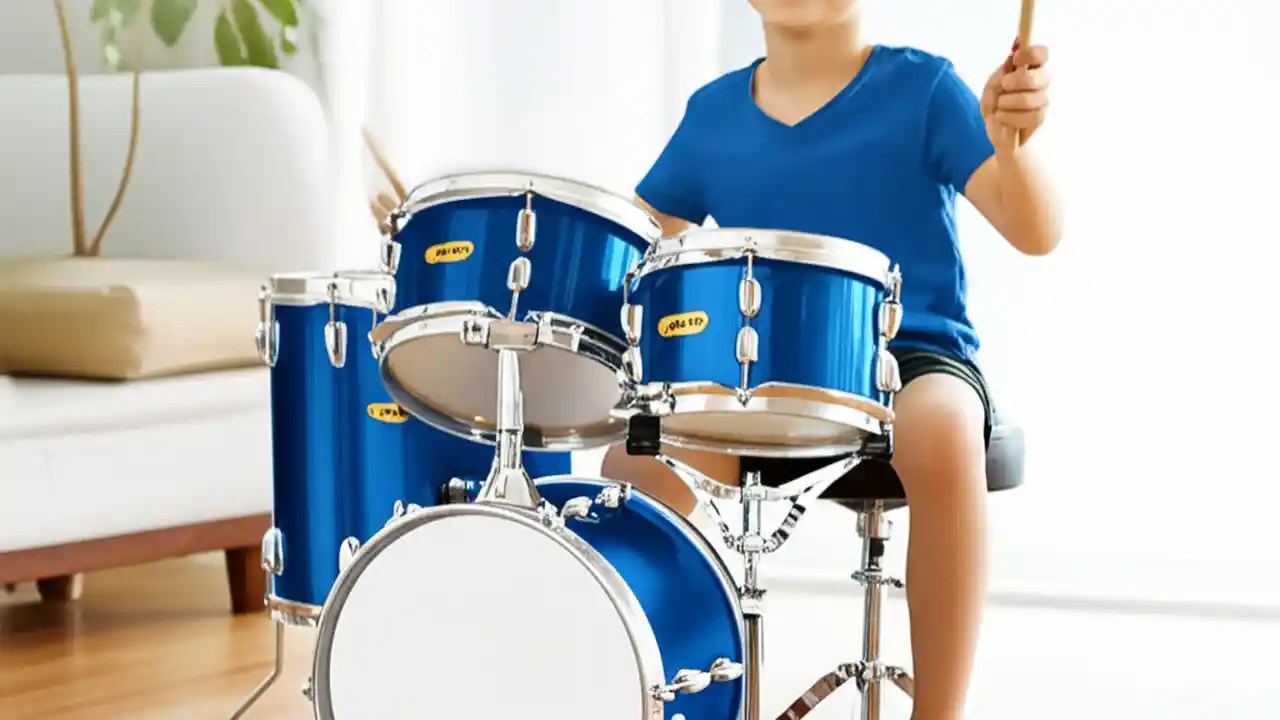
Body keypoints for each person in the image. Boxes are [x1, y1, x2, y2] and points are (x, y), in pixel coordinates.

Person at [601, 1, 1062, 719]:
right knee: (636, 465)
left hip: (908, 356)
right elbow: (624, 249)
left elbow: (1036, 231)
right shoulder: (711, 114)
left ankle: (938, 712)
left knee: (940, 428)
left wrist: (1014, 149)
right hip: (759, 373)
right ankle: (675, 698)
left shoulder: (926, 89)